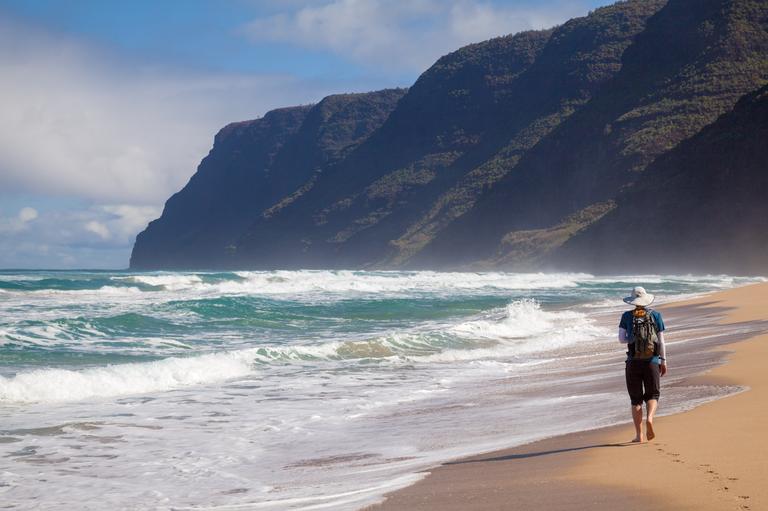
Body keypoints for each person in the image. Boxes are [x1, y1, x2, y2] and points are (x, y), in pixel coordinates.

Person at [619, 286, 667, 442]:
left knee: (636, 399)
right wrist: (663, 360)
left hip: (633, 362)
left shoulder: (626, 316)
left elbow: (621, 339)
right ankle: (650, 419)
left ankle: (639, 435)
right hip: (652, 361)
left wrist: (633, 339)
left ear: (632, 300)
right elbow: (661, 341)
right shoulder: (656, 315)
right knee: (653, 395)